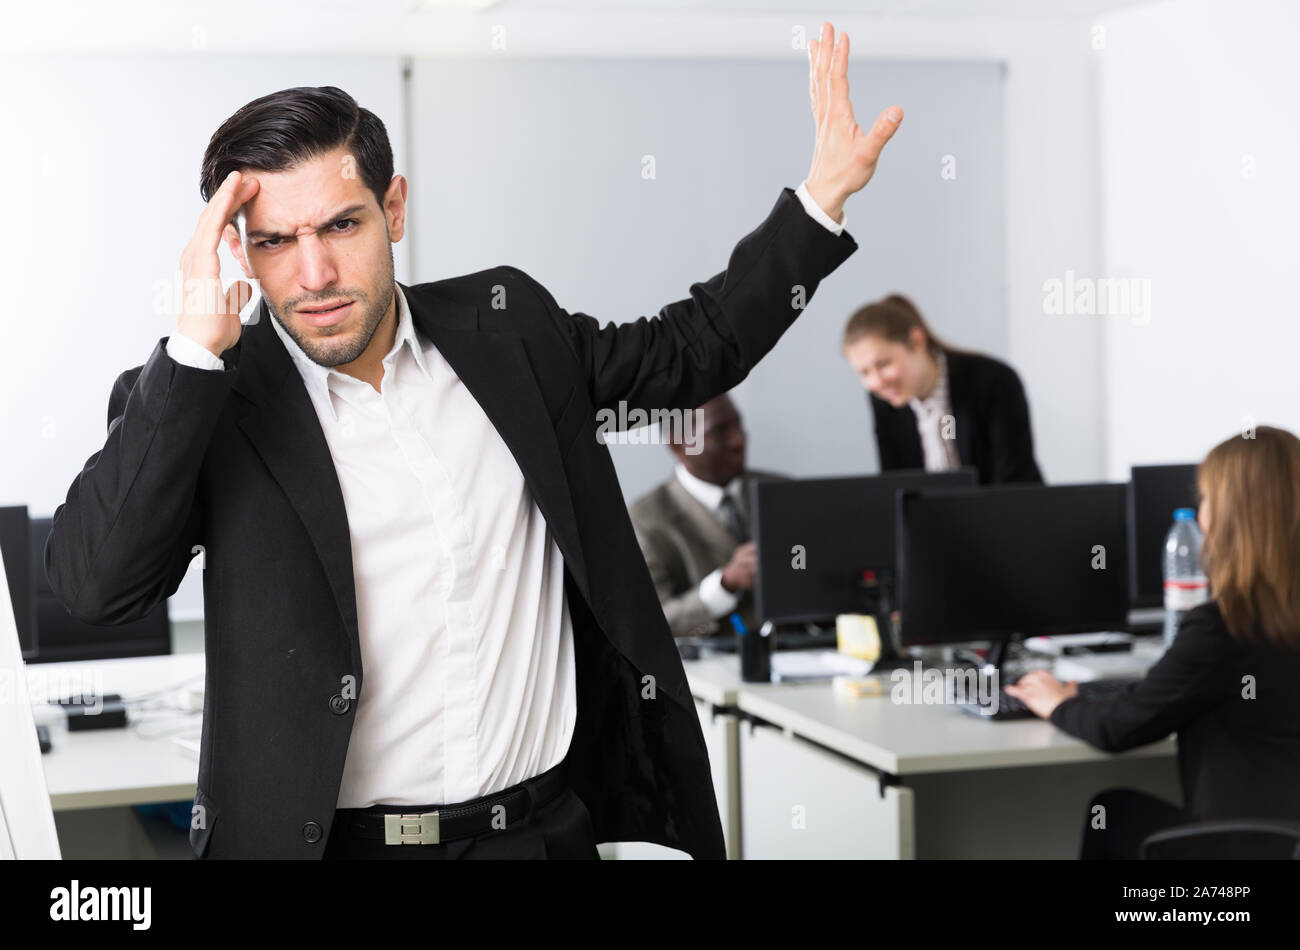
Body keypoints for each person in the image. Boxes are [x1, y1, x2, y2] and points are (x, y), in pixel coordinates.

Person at [45, 23, 903, 859]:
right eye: (274, 242)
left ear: (394, 208)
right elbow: (93, 589)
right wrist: (194, 349)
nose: (313, 277)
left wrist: (819, 202)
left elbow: (693, 348)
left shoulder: (510, 331)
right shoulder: (208, 398)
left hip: (536, 834)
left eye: (341, 226)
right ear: (236, 249)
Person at [1007, 426, 1300, 859]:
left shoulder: (1225, 627)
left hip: (1240, 852)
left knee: (1112, 810)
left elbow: (1118, 728)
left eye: (1207, 499)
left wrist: (1059, 703)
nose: (1200, 514)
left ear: (1229, 516)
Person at [842, 293, 1043, 484]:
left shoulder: (994, 381)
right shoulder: (885, 399)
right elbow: (896, 487)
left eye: (884, 364)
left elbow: (1013, 482)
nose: (876, 382)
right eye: (864, 373)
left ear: (917, 341)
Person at [630, 394, 782, 639]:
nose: (738, 440)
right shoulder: (646, 520)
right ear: (679, 446)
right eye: (719, 432)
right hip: (709, 665)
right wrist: (724, 585)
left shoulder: (779, 490)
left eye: (738, 425)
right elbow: (651, 622)